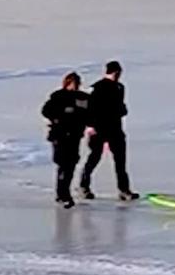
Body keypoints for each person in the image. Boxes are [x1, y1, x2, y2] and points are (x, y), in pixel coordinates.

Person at [79, 60, 137, 201]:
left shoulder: (119, 87)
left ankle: (124, 189)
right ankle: (84, 185)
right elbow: (89, 108)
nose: (118, 75)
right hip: (99, 128)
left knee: (120, 160)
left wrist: (122, 110)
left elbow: (119, 106)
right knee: (94, 157)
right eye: (117, 73)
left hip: (115, 128)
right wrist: (90, 126)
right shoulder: (98, 87)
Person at [40, 72, 89, 209]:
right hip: (60, 135)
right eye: (74, 83)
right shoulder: (58, 96)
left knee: (71, 164)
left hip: (75, 135)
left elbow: (89, 113)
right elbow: (46, 111)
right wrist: (58, 118)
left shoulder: (83, 97)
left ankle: (63, 192)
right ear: (67, 83)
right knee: (63, 164)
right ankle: (63, 194)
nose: (76, 86)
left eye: (78, 83)